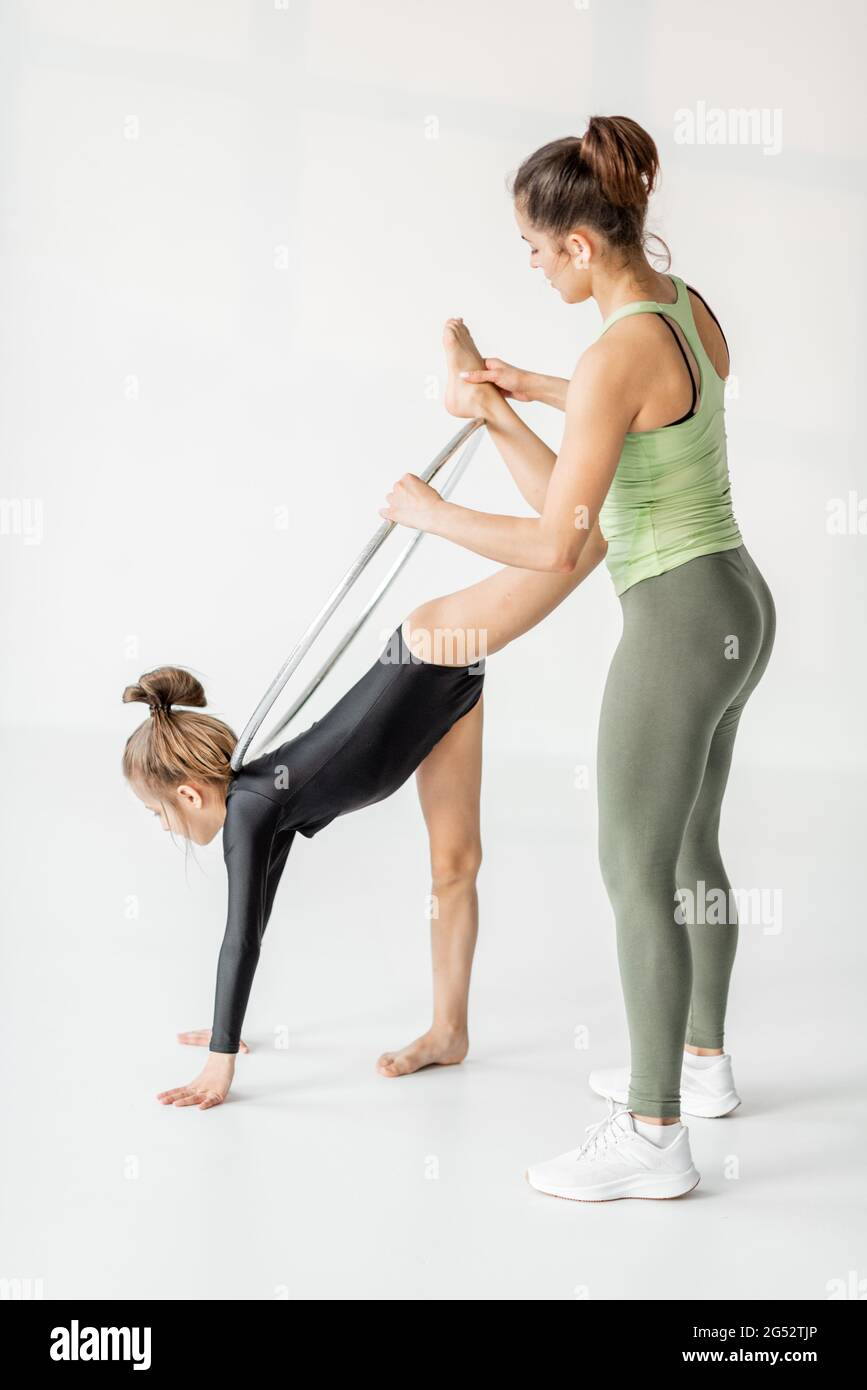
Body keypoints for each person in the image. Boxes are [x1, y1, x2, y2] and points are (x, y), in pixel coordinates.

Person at [379, 115, 776, 1201]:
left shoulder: (611, 356)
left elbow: (563, 540)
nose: (534, 264)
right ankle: (700, 1066)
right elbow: (638, 417)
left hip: (677, 621)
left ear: (582, 248)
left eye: (538, 250)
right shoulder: (686, 312)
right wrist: (529, 391)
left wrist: (433, 513)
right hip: (739, 602)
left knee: (631, 866)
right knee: (691, 844)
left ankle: (652, 1138)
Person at [121, 546, 607, 1111]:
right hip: (447, 695)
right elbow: (253, 916)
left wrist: (220, 1058)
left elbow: (239, 939)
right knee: (455, 866)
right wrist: (222, 1025)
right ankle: (450, 1034)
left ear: (187, 793)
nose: (163, 827)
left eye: (159, 814)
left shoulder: (251, 807)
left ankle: (593, 472)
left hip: (433, 647)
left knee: (574, 548)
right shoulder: (258, 809)